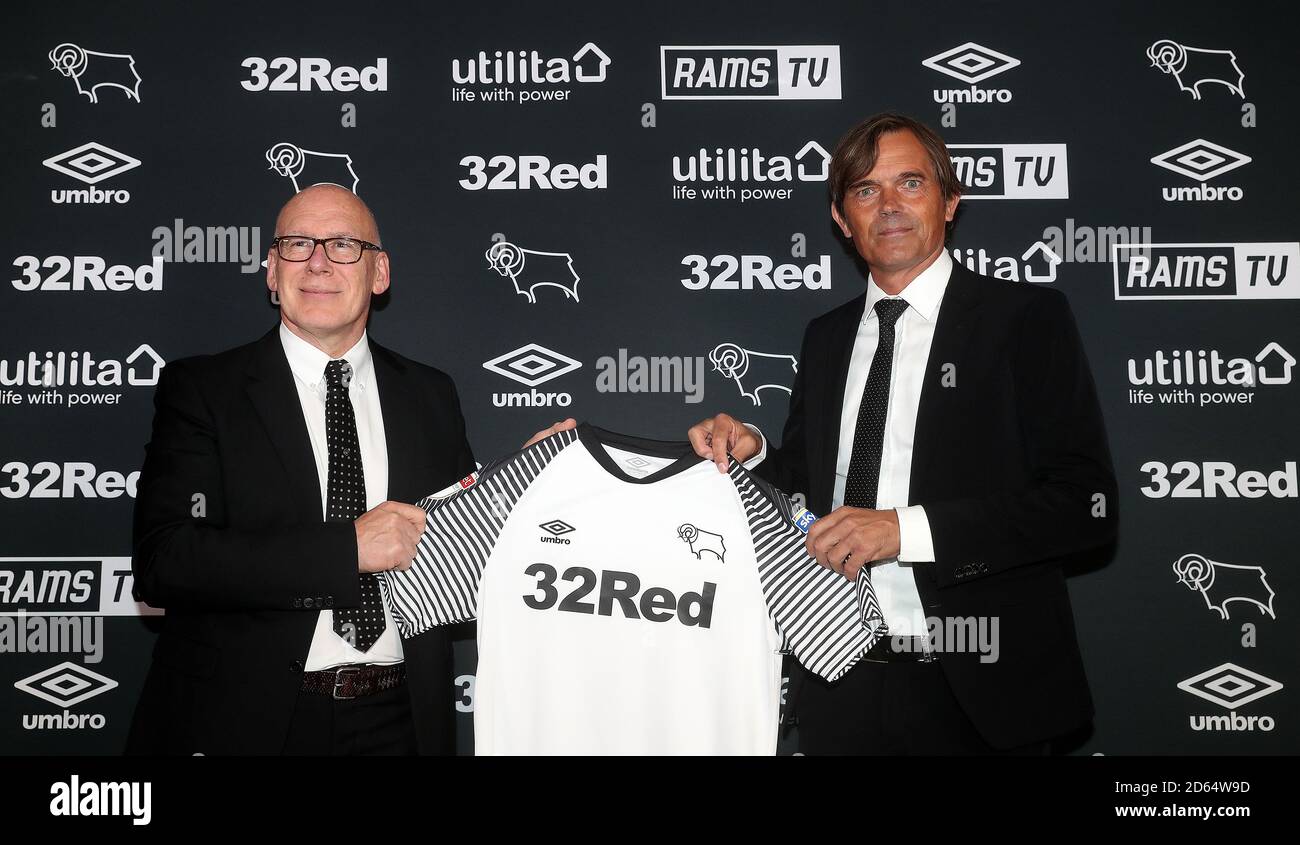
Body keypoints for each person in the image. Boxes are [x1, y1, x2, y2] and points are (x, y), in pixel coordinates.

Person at [689, 113, 1117, 755]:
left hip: (982, 683)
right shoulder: (827, 337)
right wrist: (751, 452)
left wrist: (903, 531)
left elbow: (1084, 508)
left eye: (909, 183)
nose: (888, 205)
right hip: (838, 676)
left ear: (949, 201)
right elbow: (806, 493)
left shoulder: (1025, 319)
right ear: (842, 218)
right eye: (865, 191)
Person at [127, 184, 543, 755]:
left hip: (402, 722)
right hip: (251, 721)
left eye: (344, 244)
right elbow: (164, 562)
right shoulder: (202, 390)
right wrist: (346, 549)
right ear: (272, 272)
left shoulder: (430, 394)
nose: (318, 261)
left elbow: (465, 547)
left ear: (380, 272)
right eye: (297, 244)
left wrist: (542, 474)